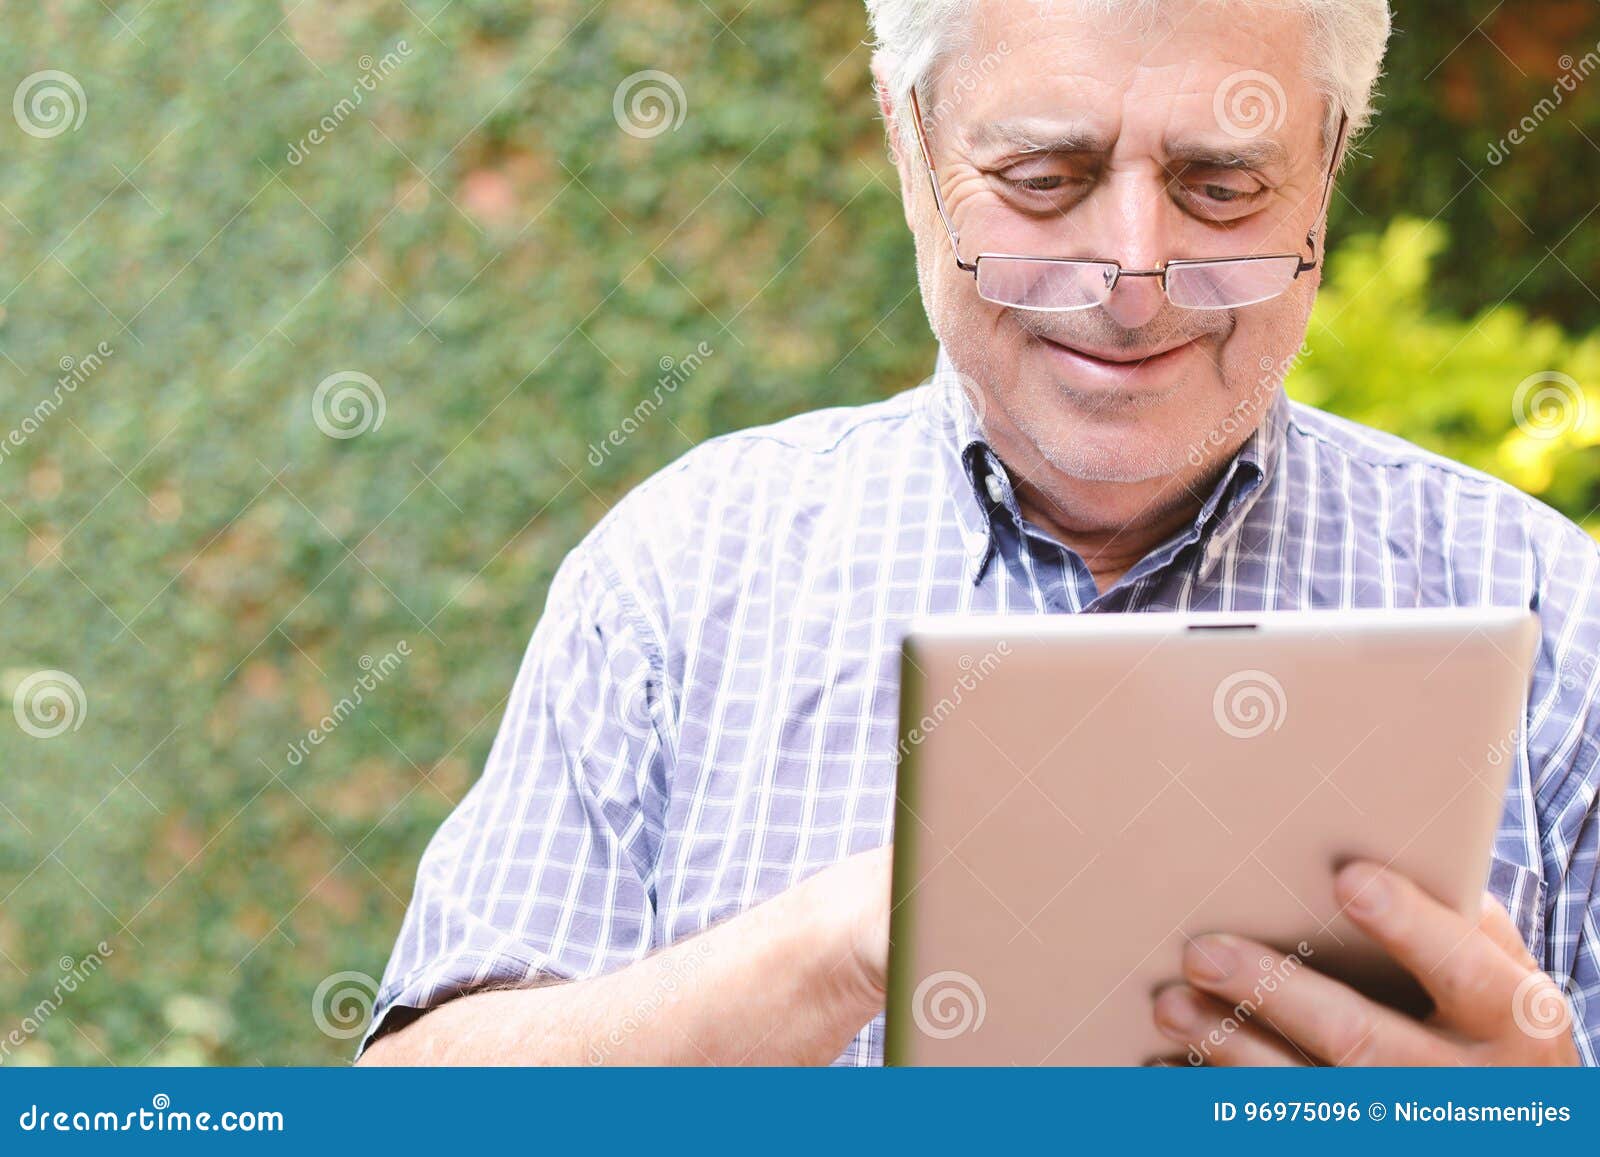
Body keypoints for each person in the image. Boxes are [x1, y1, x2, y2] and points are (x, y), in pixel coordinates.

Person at [358, 0, 1596, 1066]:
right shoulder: (679, 579)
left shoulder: (1552, 613)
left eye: (1221, 188)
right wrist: (846, 942)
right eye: (1043, 180)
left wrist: (1542, 1110)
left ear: (1324, 166)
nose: (1131, 276)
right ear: (910, 142)